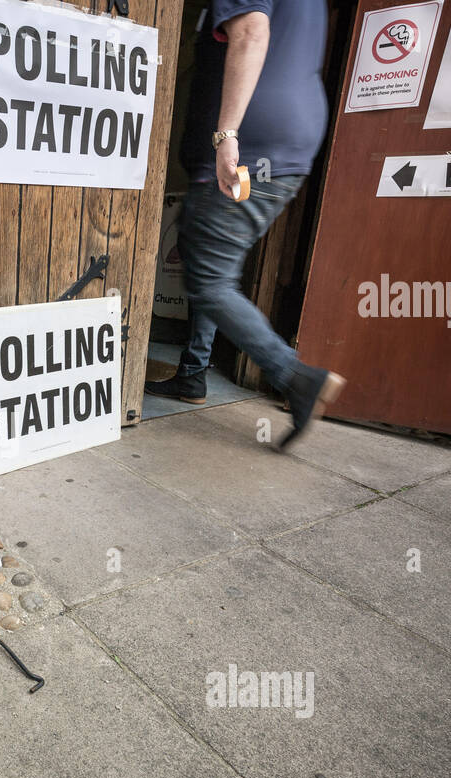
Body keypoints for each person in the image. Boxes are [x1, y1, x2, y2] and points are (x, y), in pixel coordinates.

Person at [145, 0, 344, 449]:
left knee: (211, 279)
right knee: (212, 268)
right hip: (287, 147)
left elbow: (252, 31)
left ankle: (294, 375)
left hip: (249, 148)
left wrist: (225, 135)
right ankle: (193, 374)